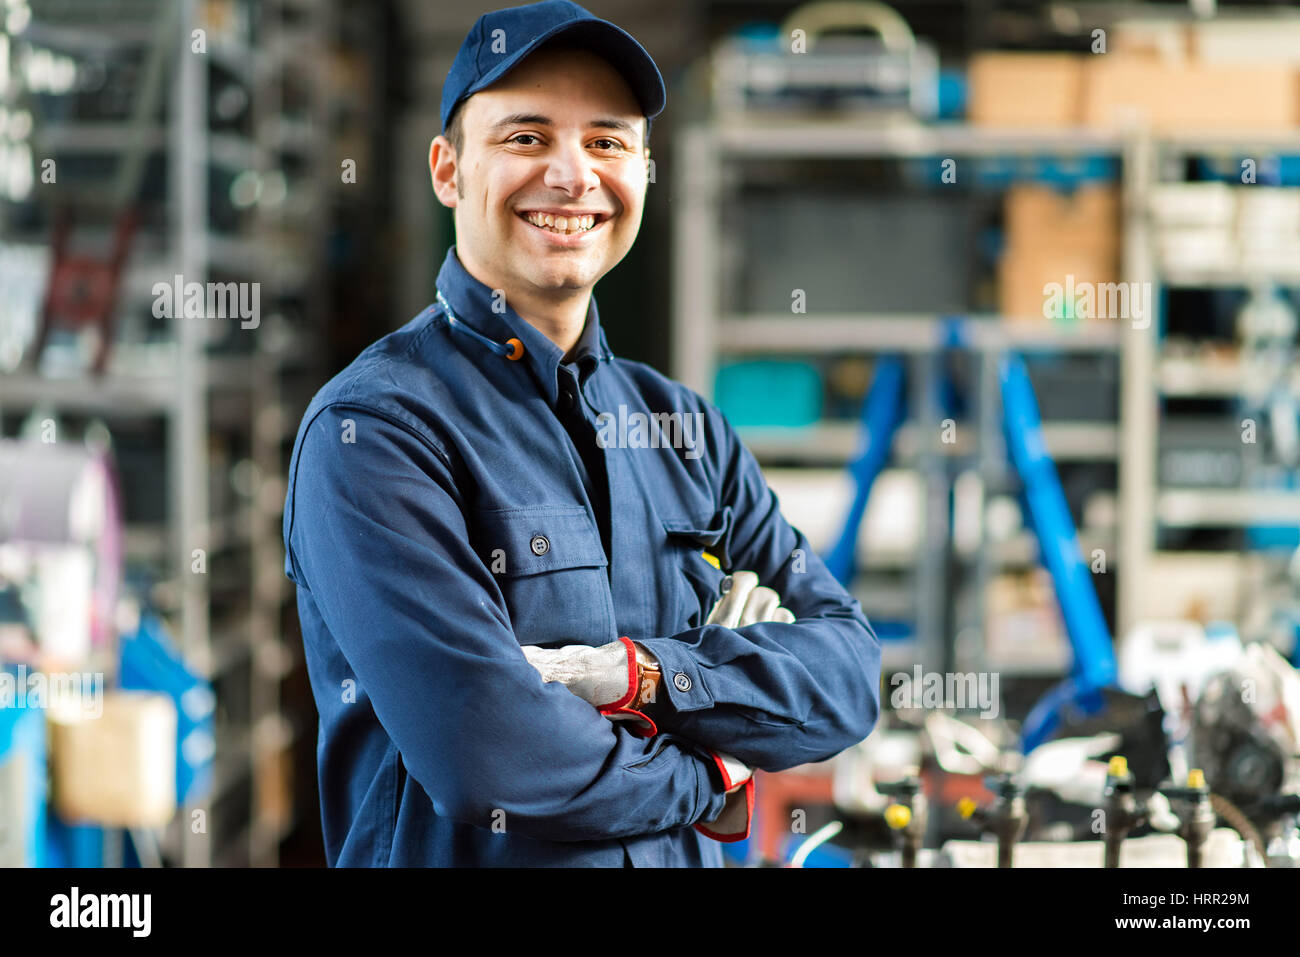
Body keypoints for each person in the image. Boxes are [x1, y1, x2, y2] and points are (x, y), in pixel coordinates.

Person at [283, 0, 881, 867]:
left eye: (606, 141)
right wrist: (717, 764)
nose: (572, 175)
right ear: (448, 170)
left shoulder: (687, 432)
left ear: (643, 169)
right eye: (526, 137)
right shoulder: (375, 434)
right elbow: (491, 758)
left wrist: (647, 675)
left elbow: (849, 672)